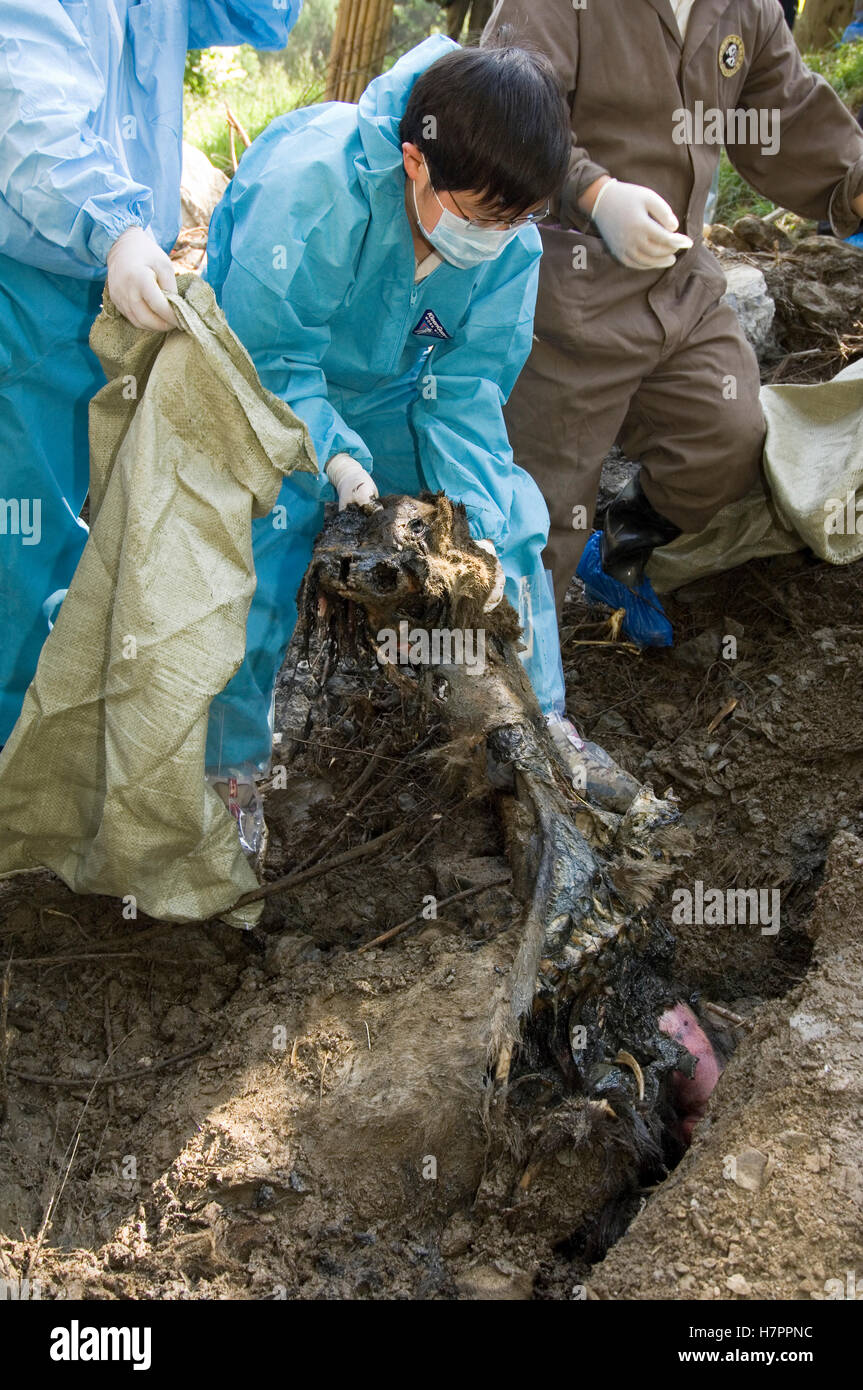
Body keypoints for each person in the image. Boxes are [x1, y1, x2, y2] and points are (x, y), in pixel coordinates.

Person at [202, 35, 610, 847]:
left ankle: (543, 723)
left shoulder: (507, 235)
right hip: (269, 376)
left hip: (405, 382)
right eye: (485, 217)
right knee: (263, 545)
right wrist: (333, 452)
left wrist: (477, 520)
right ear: (415, 162)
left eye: (521, 217)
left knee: (508, 523)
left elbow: (465, 385)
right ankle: (230, 768)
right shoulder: (312, 192)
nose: (502, 237)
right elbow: (268, 354)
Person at [480, 0, 863, 663]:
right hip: (560, 292)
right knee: (540, 512)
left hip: (679, 286)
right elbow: (499, 110)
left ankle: (620, 549)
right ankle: (518, 701)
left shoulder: (744, 9)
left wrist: (854, 181)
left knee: (723, 438)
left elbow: (788, 115)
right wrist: (595, 195)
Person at [0, 0, 303, 748]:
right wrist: (116, 227)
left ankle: (29, 746)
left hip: (95, 283)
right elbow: (24, 115)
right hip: (29, 278)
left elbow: (255, 15)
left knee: (58, 526)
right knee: (16, 537)